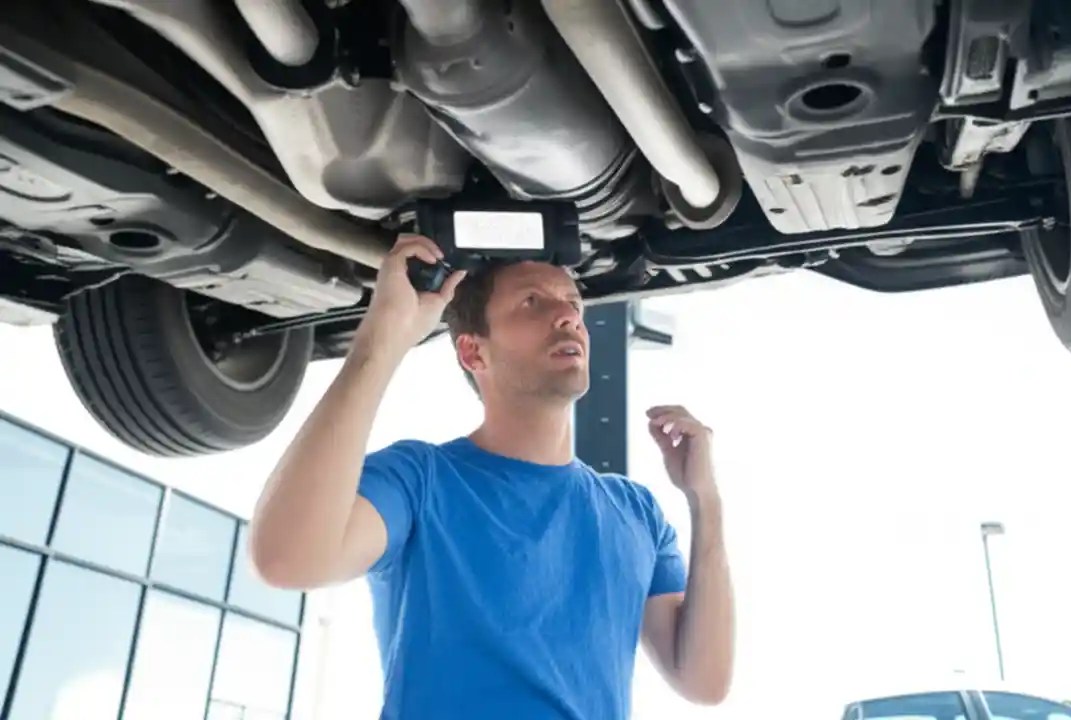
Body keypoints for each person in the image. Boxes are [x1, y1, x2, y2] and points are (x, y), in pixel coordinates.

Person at [247, 234, 735, 719]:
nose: (567, 316)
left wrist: (704, 501)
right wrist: (384, 338)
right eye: (532, 302)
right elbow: (288, 560)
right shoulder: (420, 481)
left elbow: (704, 680)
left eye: (572, 302)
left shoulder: (636, 511)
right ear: (473, 353)